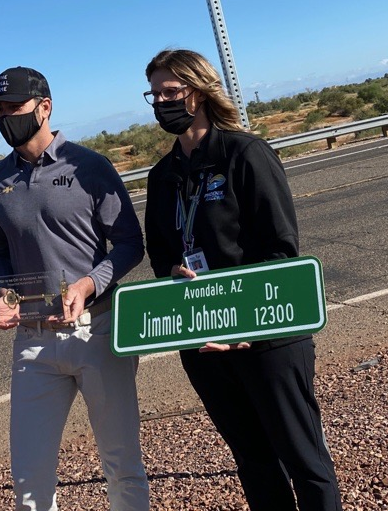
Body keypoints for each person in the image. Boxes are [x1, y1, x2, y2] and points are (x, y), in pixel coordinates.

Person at [142, 49, 343, 511]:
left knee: (304, 460)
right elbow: (161, 255)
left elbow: (280, 248)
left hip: (267, 336)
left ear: (201, 91)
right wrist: (173, 270)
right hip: (202, 340)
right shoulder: (163, 176)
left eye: (170, 91)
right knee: (253, 461)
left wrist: (244, 323)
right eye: (153, 94)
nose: (160, 102)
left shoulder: (245, 153)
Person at [0, 66, 150, 511]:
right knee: (30, 477)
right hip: (33, 342)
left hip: (99, 332)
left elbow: (131, 243)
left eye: (14, 108)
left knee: (121, 464)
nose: (5, 118)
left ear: (45, 107)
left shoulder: (89, 166)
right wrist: (2, 293)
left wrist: (89, 285)